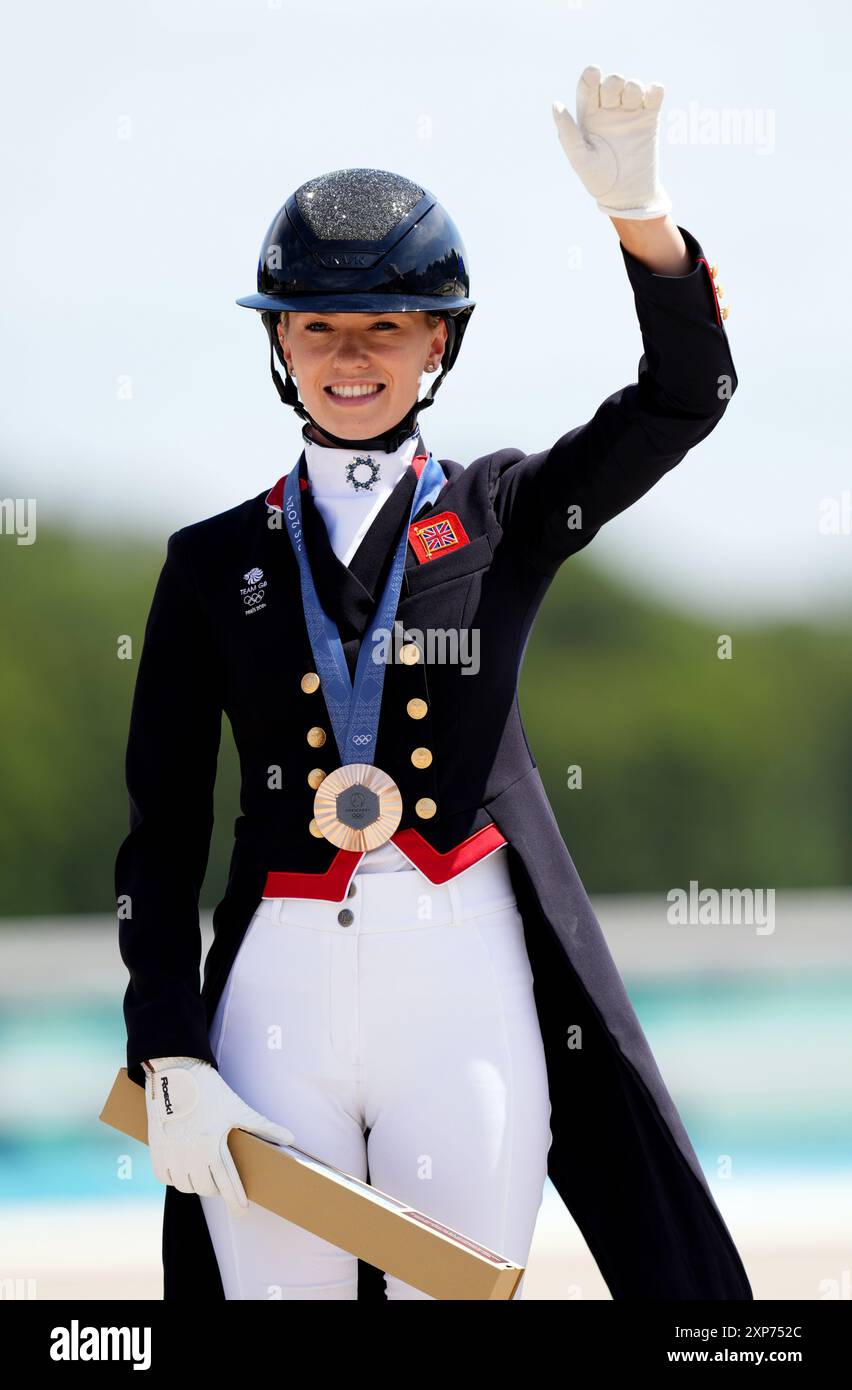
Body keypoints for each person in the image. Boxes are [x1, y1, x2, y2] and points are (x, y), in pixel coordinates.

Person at [117, 66, 751, 1301]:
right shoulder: (211, 562)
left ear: (439, 341)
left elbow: (687, 399)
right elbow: (161, 834)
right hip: (275, 996)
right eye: (317, 329)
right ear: (279, 345)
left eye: (386, 328)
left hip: (461, 984)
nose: (350, 357)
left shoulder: (505, 511)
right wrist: (164, 1049)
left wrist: (646, 223)